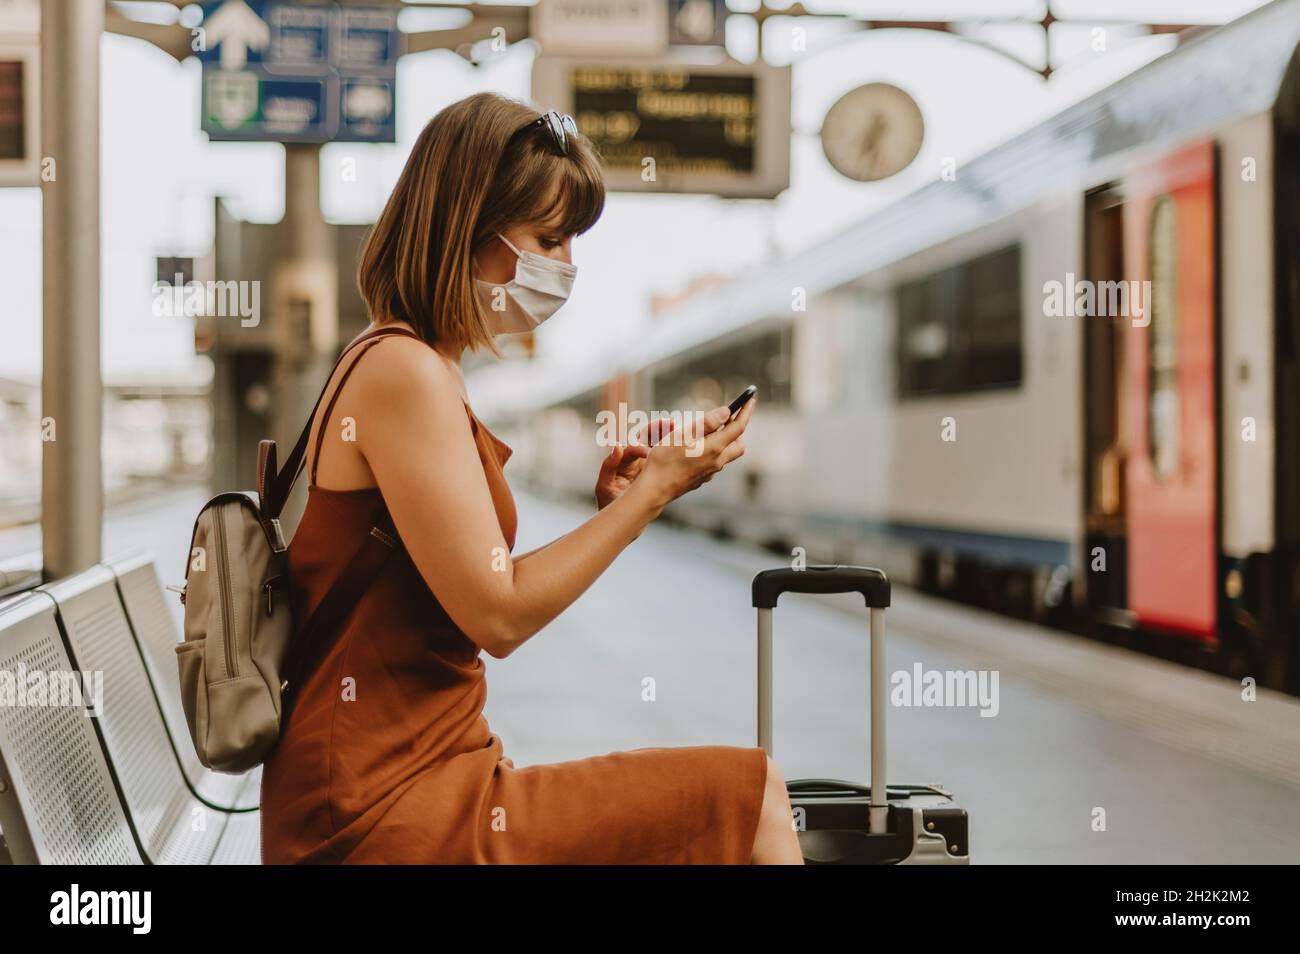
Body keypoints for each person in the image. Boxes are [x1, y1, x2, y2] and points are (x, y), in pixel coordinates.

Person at [259, 92, 803, 865]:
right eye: (550, 238)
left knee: (731, 797)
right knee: (748, 798)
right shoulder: (406, 374)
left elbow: (466, 581)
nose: (566, 268)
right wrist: (653, 495)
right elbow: (500, 615)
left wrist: (617, 498)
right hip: (381, 813)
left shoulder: (409, 363)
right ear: (467, 230)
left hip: (422, 781)